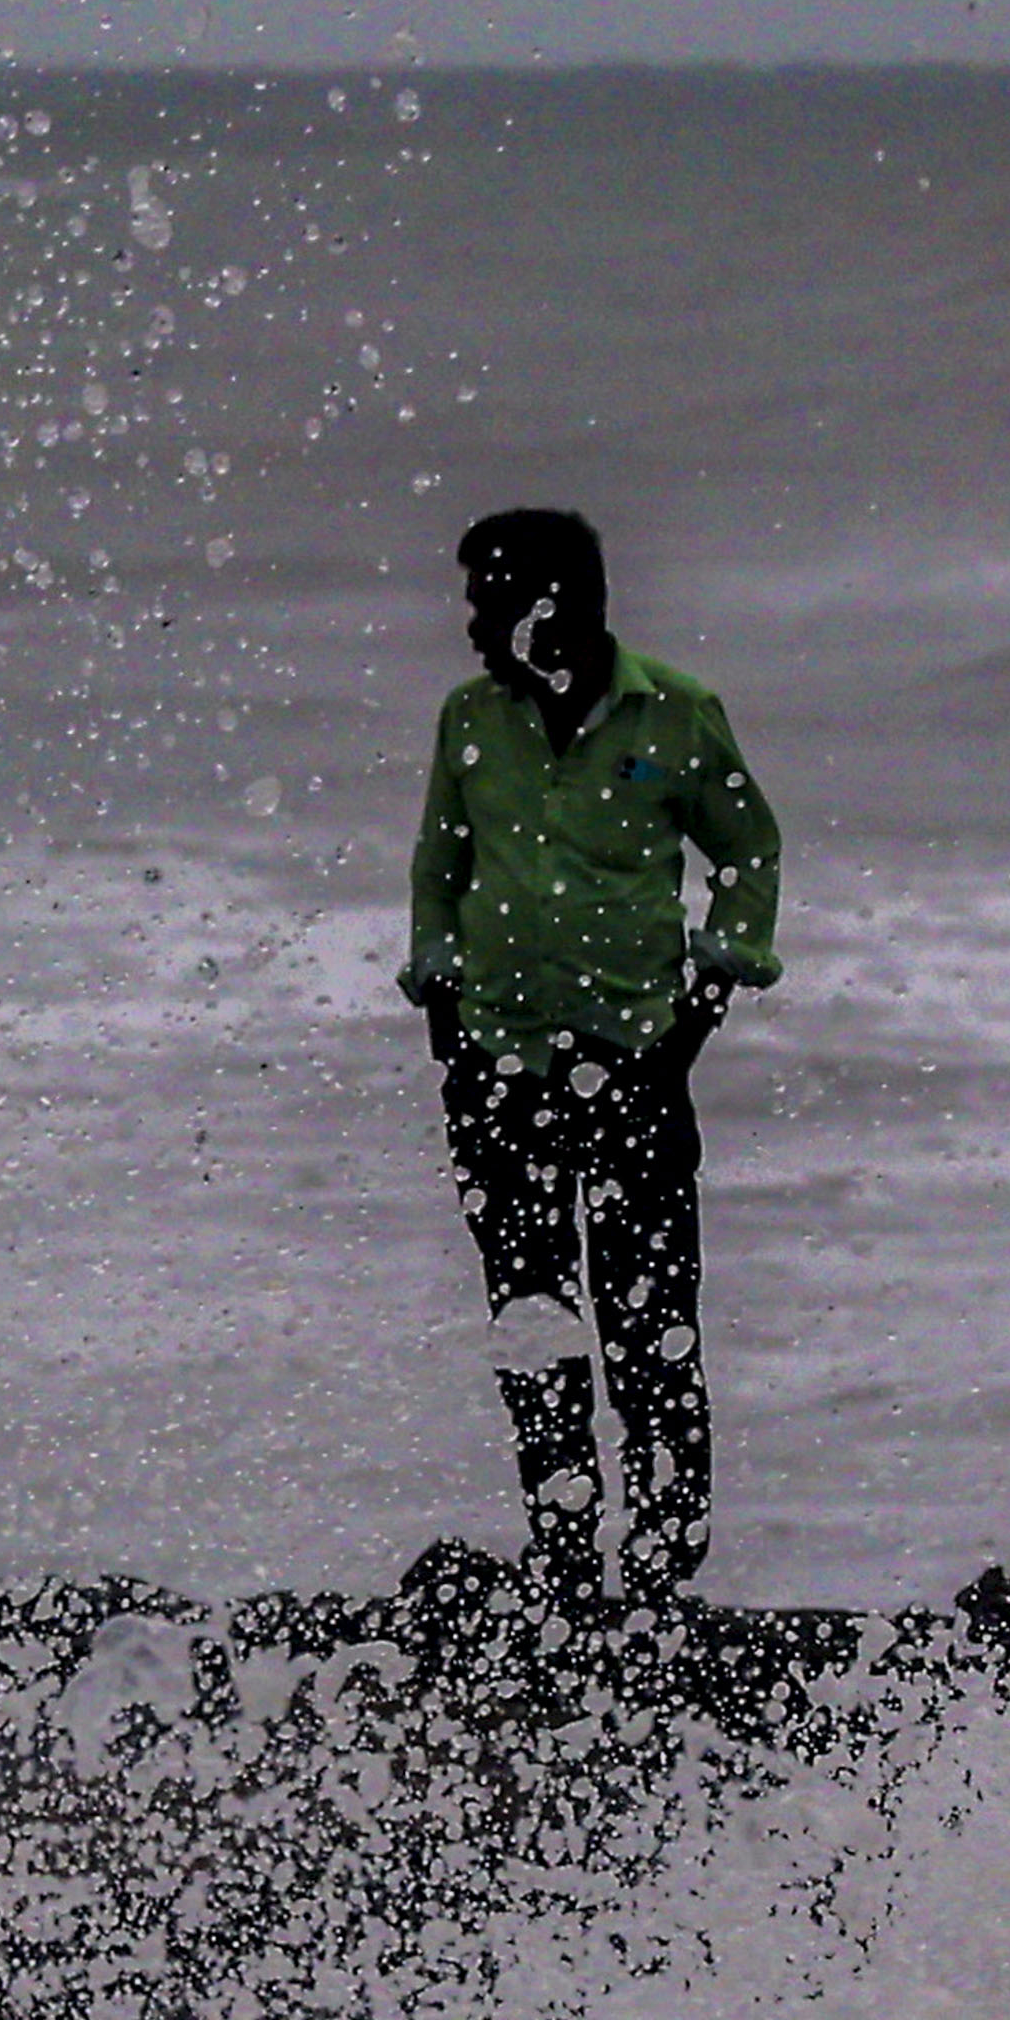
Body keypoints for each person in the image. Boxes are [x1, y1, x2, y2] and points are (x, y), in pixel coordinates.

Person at [401, 508, 781, 1613]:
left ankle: (663, 1569)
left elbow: (748, 849)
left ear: (555, 602)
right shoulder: (470, 718)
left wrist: (710, 993)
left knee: (650, 1320)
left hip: (634, 1062)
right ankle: (564, 1561)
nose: (472, 623)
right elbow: (440, 863)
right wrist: (438, 993)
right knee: (531, 1322)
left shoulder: (677, 711)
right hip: (499, 1064)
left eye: (489, 599)